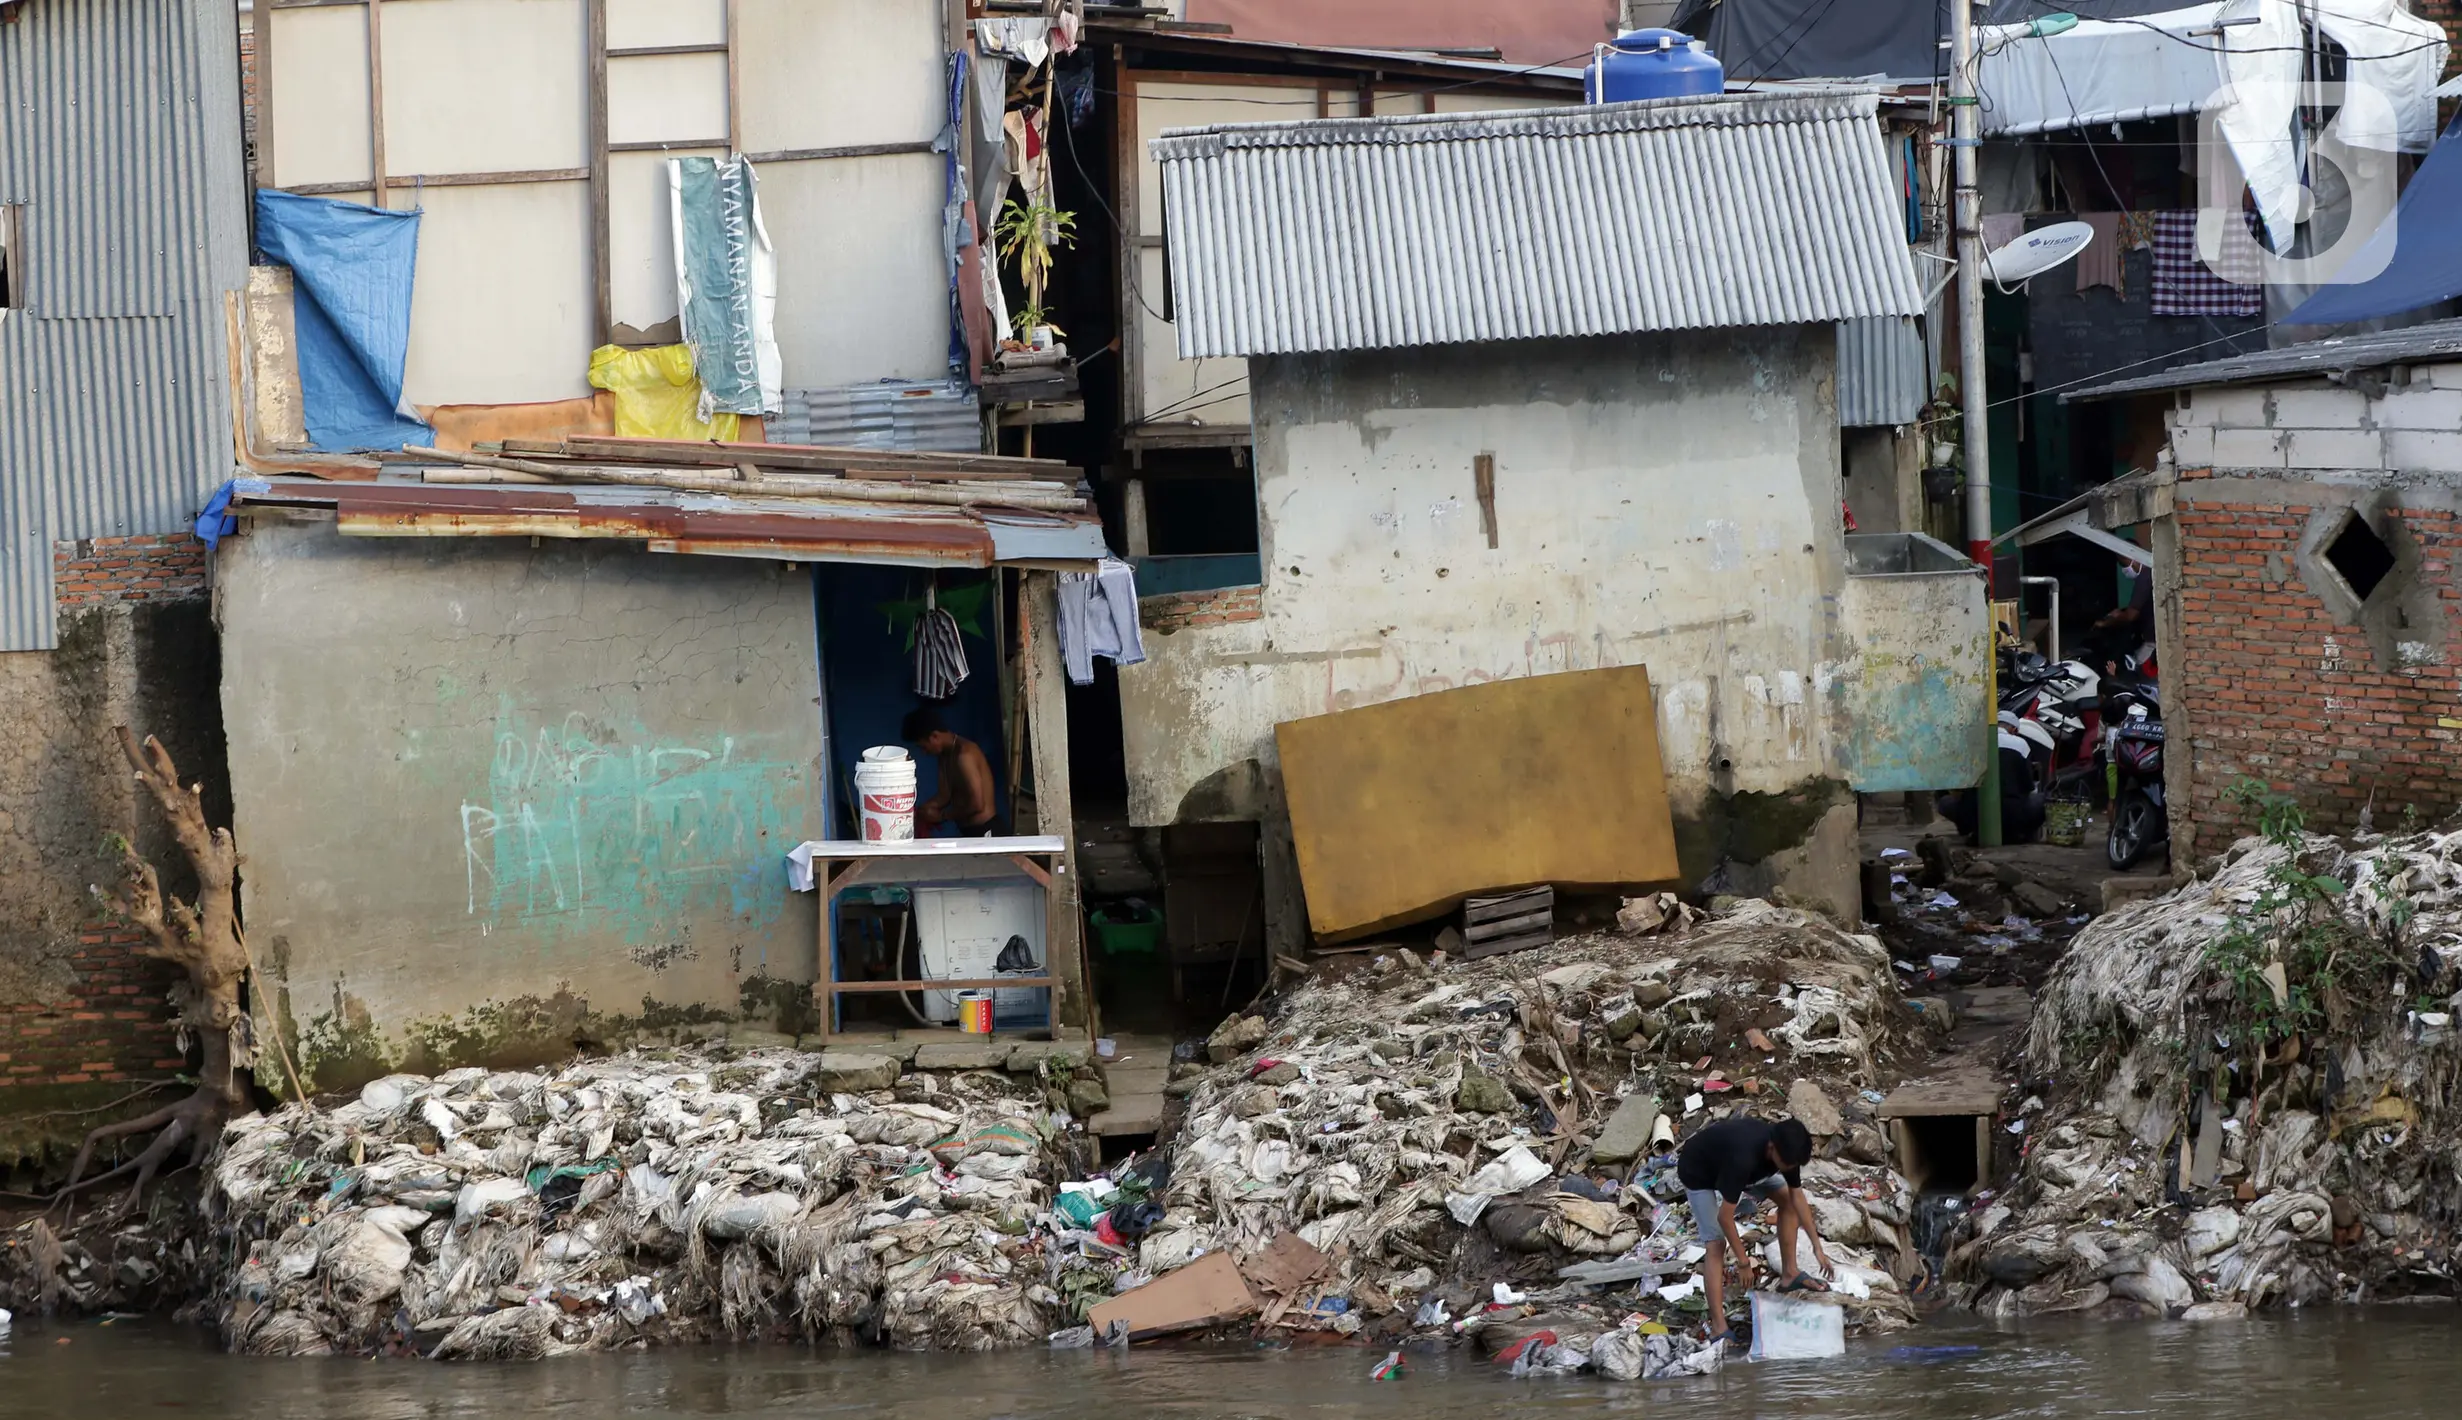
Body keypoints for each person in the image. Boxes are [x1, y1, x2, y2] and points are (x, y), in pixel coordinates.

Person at [1676, 1115, 1829, 1347]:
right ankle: (1719, 1327)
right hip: (1699, 1171)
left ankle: (1790, 1274)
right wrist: (1743, 1261)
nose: (1789, 1169)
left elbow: (1798, 1198)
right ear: (1771, 1148)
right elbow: (1725, 1217)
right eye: (1785, 1164)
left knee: (1788, 1202)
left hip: (1746, 1172)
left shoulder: (1786, 1150)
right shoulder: (1743, 1157)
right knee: (1715, 1243)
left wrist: (1817, 1247)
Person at [900, 708, 1001, 837]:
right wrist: (923, 811)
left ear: (935, 736)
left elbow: (977, 805)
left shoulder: (965, 755)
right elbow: (944, 796)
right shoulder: (944, 755)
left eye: (923, 747)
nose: (924, 752)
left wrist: (942, 816)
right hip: (969, 832)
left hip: (986, 831)